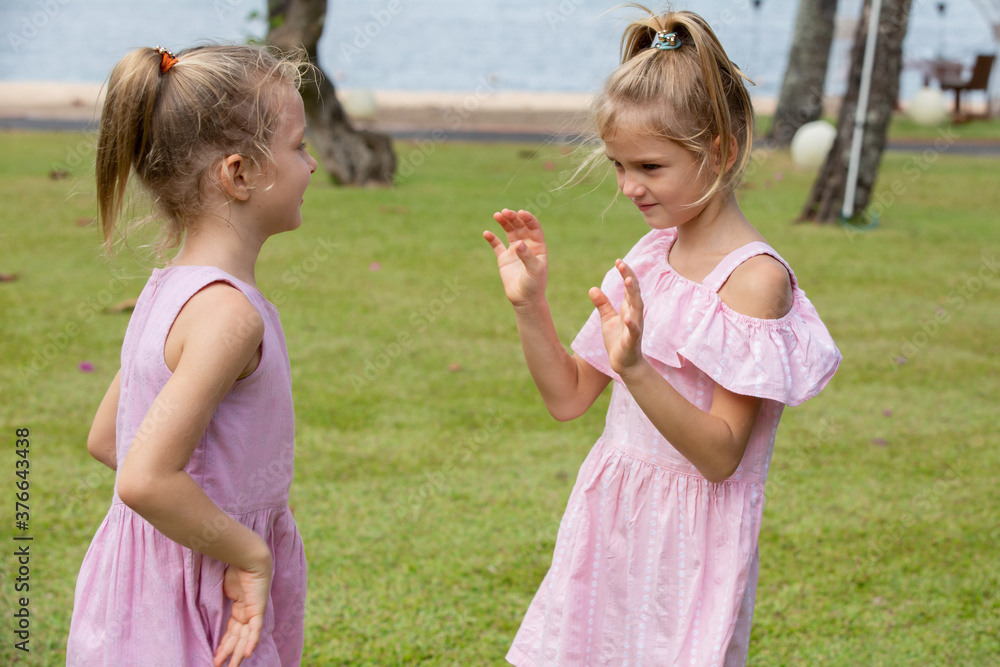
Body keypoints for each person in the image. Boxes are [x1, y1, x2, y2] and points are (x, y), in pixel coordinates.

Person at [484, 8, 841, 666]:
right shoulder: (650, 255)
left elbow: (721, 455)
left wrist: (639, 371)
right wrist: (531, 304)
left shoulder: (755, 282)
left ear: (722, 151)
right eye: (619, 165)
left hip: (690, 548)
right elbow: (568, 396)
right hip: (609, 521)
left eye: (649, 166)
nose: (628, 187)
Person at [67, 44, 317, 667]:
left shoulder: (165, 293)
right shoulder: (228, 316)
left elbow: (108, 439)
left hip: (139, 590)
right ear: (238, 174)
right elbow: (144, 477)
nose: (312, 165)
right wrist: (246, 551)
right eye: (297, 147)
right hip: (200, 597)